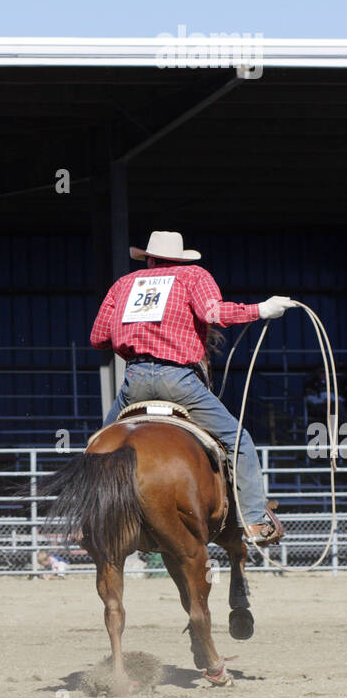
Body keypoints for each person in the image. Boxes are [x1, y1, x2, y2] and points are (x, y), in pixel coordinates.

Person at [92, 230, 296, 545]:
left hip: (134, 381)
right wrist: (261, 309)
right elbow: (212, 313)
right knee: (239, 441)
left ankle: (88, 517)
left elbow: (99, 338)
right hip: (180, 382)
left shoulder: (123, 285)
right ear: (180, 257)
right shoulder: (192, 275)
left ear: (149, 258)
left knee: (98, 447)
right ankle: (255, 522)